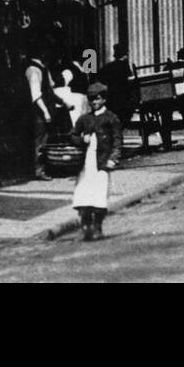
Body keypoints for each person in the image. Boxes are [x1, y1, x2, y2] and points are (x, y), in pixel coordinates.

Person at [70, 83, 123, 241]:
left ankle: (98, 227)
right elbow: (72, 135)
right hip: (86, 164)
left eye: (97, 99)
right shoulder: (84, 119)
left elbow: (118, 141)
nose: (94, 102)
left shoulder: (111, 118)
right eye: (91, 99)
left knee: (99, 196)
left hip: (101, 163)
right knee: (83, 195)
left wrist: (113, 158)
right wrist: (81, 139)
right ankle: (86, 227)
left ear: (104, 99)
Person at [26, 47, 68, 180]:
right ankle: (38, 170)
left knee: (45, 140)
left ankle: (45, 167)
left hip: (47, 110)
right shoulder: (34, 70)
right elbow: (36, 95)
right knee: (40, 142)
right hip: (39, 112)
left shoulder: (43, 68)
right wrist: (45, 112)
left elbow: (50, 90)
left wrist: (63, 102)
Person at [97, 44, 137, 158]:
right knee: (121, 123)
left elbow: (99, 77)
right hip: (124, 101)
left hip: (111, 100)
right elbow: (130, 83)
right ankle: (117, 148)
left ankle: (112, 146)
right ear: (125, 55)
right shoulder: (125, 67)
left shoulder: (108, 67)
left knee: (113, 123)